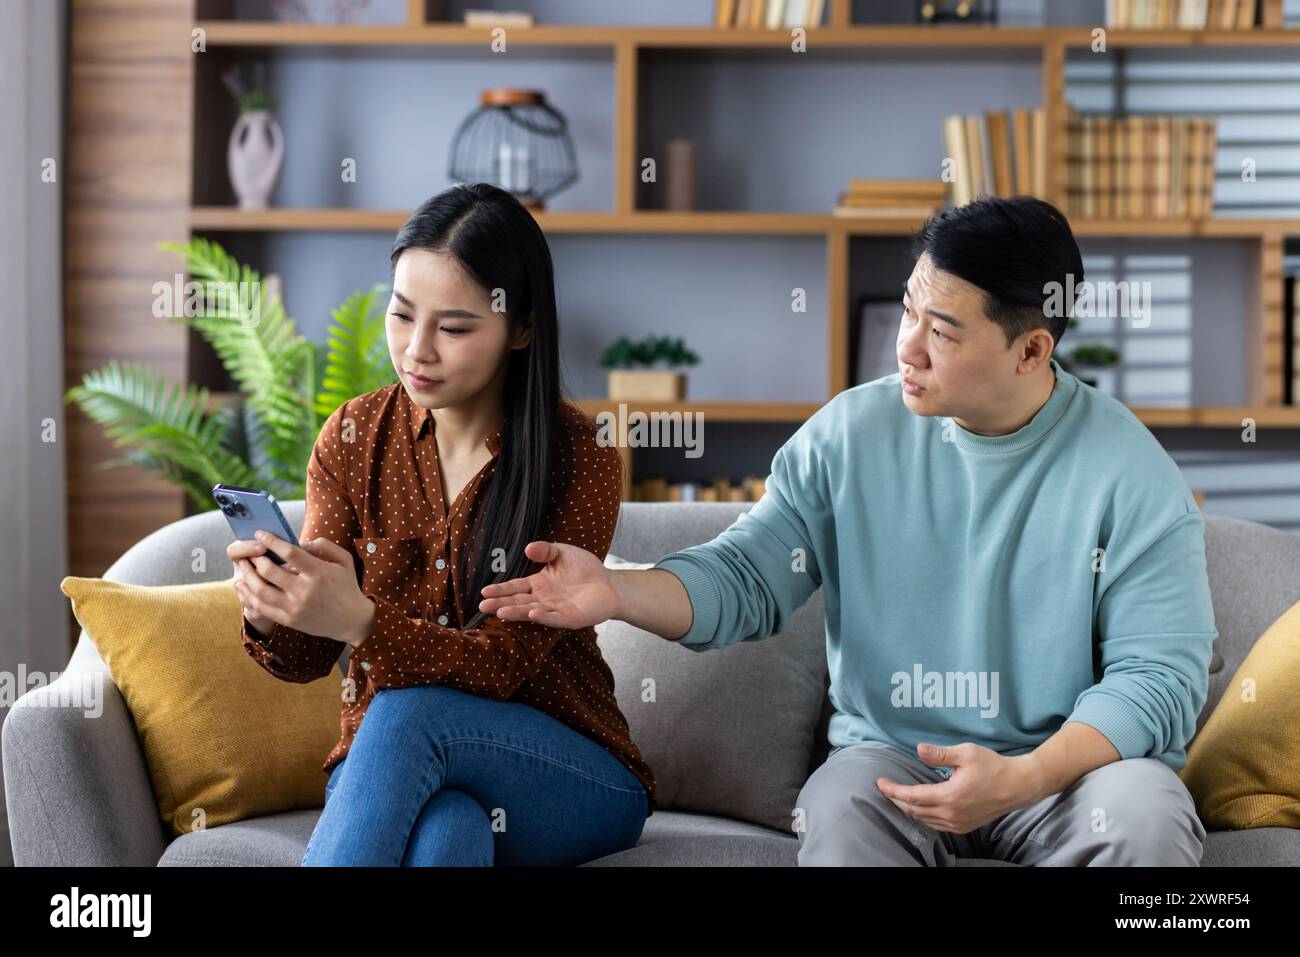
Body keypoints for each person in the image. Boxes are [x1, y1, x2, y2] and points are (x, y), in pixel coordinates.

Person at [478, 195, 1216, 866]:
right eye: (908, 312)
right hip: (894, 763)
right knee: (836, 805)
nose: (907, 347)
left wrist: (1025, 775)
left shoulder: (1131, 473)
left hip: (1066, 774)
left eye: (944, 331)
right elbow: (746, 575)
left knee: (1147, 813)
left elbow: (1157, 679)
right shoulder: (850, 436)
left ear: (1031, 350)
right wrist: (617, 589)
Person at [227, 183, 654, 867]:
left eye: (453, 328)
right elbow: (307, 660)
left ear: (520, 328)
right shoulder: (352, 437)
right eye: (400, 315)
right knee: (449, 835)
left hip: (564, 767)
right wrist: (277, 611)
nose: (416, 350)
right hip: (390, 763)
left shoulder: (582, 456)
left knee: (408, 709)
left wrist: (364, 621)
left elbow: (503, 664)